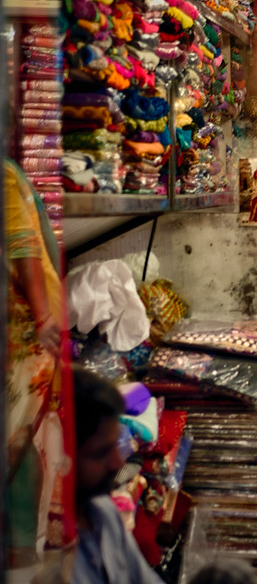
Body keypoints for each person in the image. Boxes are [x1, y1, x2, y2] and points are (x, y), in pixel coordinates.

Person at [5, 157, 75, 567]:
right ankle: (21, 550)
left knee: (16, 442)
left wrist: (43, 318)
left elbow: (24, 249)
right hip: (26, 334)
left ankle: (20, 552)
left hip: (23, 337)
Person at [72, 365, 164, 584]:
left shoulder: (102, 513)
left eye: (115, 446)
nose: (118, 462)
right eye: (100, 453)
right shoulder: (42, 561)